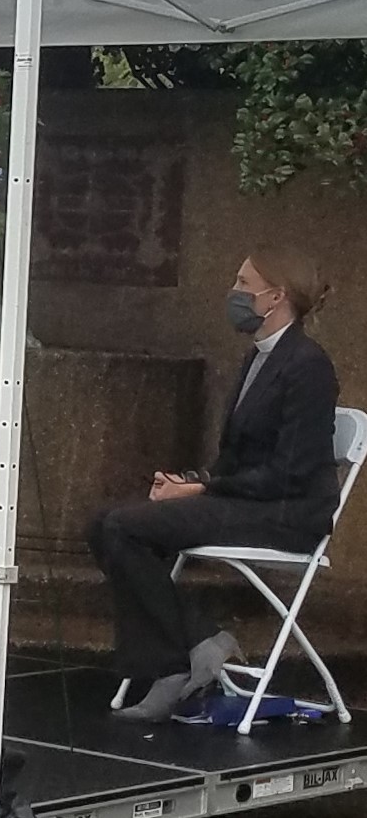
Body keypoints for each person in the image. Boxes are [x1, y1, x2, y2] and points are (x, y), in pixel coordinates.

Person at [90, 247, 338, 721]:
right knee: (105, 522)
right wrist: (192, 481)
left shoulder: (308, 365)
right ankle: (200, 639)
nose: (234, 292)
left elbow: (291, 472)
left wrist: (203, 491)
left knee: (125, 527)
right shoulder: (259, 358)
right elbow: (235, 459)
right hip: (250, 499)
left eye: (244, 284)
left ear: (276, 296)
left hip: (287, 514)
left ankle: (170, 667)